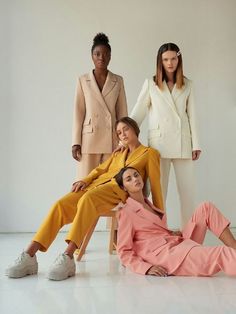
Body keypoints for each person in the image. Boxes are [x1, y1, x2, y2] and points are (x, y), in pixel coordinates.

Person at [6, 117, 163, 281]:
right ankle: (29, 254)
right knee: (61, 204)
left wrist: (160, 216)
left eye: (125, 129)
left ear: (135, 129)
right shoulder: (118, 153)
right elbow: (100, 170)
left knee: (88, 199)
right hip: (95, 187)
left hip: (118, 193)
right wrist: (84, 180)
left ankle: (67, 257)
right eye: (118, 132)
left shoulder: (149, 153)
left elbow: (156, 185)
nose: (122, 134)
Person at [115, 167, 236, 277]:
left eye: (136, 175)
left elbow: (154, 232)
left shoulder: (150, 205)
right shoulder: (126, 212)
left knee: (206, 207)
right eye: (129, 179)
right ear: (124, 187)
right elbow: (124, 251)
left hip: (176, 243)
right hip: (168, 256)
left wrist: (171, 234)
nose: (135, 179)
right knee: (222, 253)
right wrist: (146, 268)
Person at [130, 43, 201, 226]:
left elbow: (192, 116)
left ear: (179, 59)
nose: (170, 63)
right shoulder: (151, 83)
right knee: (158, 193)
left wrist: (196, 145)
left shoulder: (188, 84)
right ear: (160, 61)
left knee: (187, 192)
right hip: (158, 145)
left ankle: (189, 234)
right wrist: (125, 134)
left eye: (173, 59)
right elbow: (138, 113)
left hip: (182, 143)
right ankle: (159, 232)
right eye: (165, 59)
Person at [72, 33, 128, 179]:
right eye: (97, 54)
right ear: (92, 56)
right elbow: (79, 113)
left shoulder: (118, 80)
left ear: (110, 56)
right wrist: (75, 142)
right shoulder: (83, 80)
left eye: (105, 54)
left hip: (112, 140)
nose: (101, 58)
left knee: (109, 184)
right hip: (88, 140)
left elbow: (122, 113)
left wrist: (124, 140)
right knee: (84, 183)